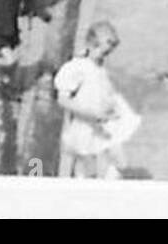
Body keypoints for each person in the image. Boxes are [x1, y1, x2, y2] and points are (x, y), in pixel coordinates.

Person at [54, 20, 138, 178]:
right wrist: (91, 113)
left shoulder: (99, 69)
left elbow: (103, 94)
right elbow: (62, 99)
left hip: (102, 125)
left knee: (117, 163)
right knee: (85, 168)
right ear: (92, 44)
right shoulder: (78, 67)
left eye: (108, 52)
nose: (105, 56)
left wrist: (113, 109)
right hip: (84, 126)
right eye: (103, 51)